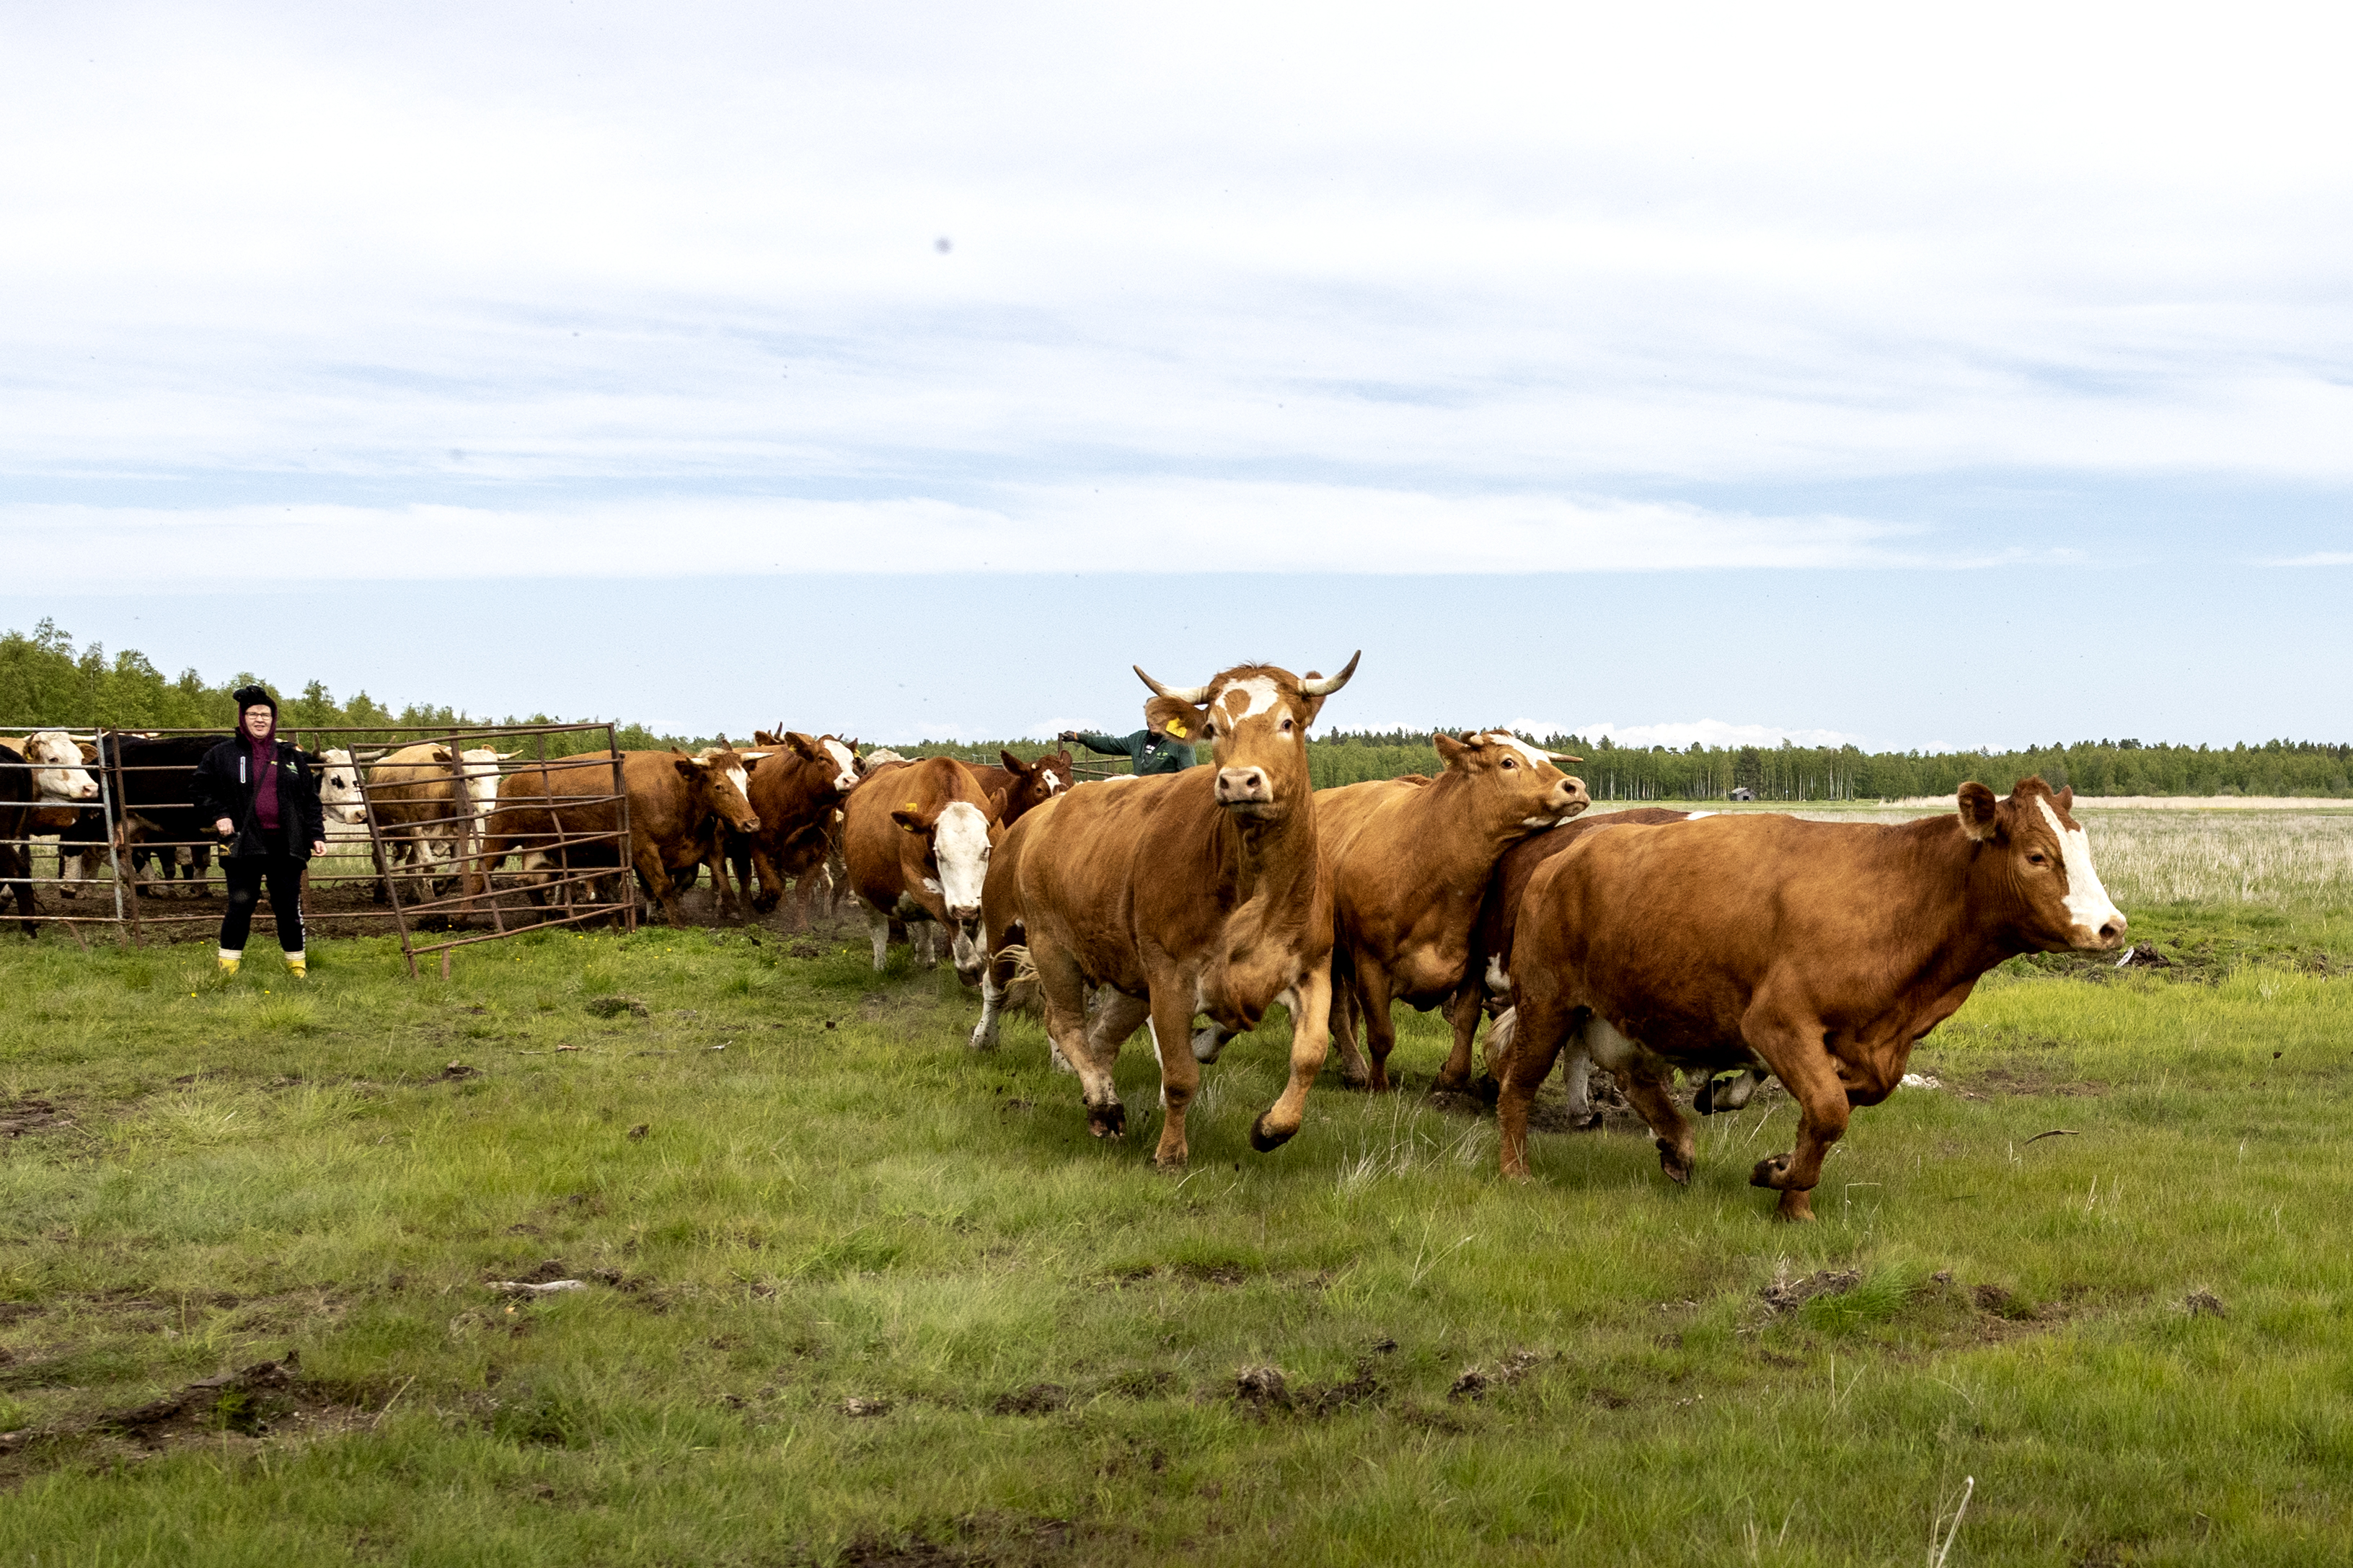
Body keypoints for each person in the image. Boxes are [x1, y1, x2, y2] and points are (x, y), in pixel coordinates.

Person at [193, 685, 326, 975]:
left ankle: (298, 968)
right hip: (243, 843)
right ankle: (227, 969)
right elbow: (201, 789)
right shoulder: (222, 755)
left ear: (273, 719)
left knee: (288, 909)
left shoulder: (292, 758)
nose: (259, 720)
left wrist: (316, 834)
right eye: (253, 714)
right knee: (240, 906)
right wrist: (220, 815)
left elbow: (310, 801)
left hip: (287, 845)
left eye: (265, 714)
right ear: (243, 718)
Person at [1060, 696, 1200, 776]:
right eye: (1150, 715)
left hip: (1167, 800)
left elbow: (1190, 776)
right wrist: (1080, 737)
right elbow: (1110, 744)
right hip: (1140, 797)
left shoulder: (1180, 742)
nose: (1153, 720)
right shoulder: (1138, 739)